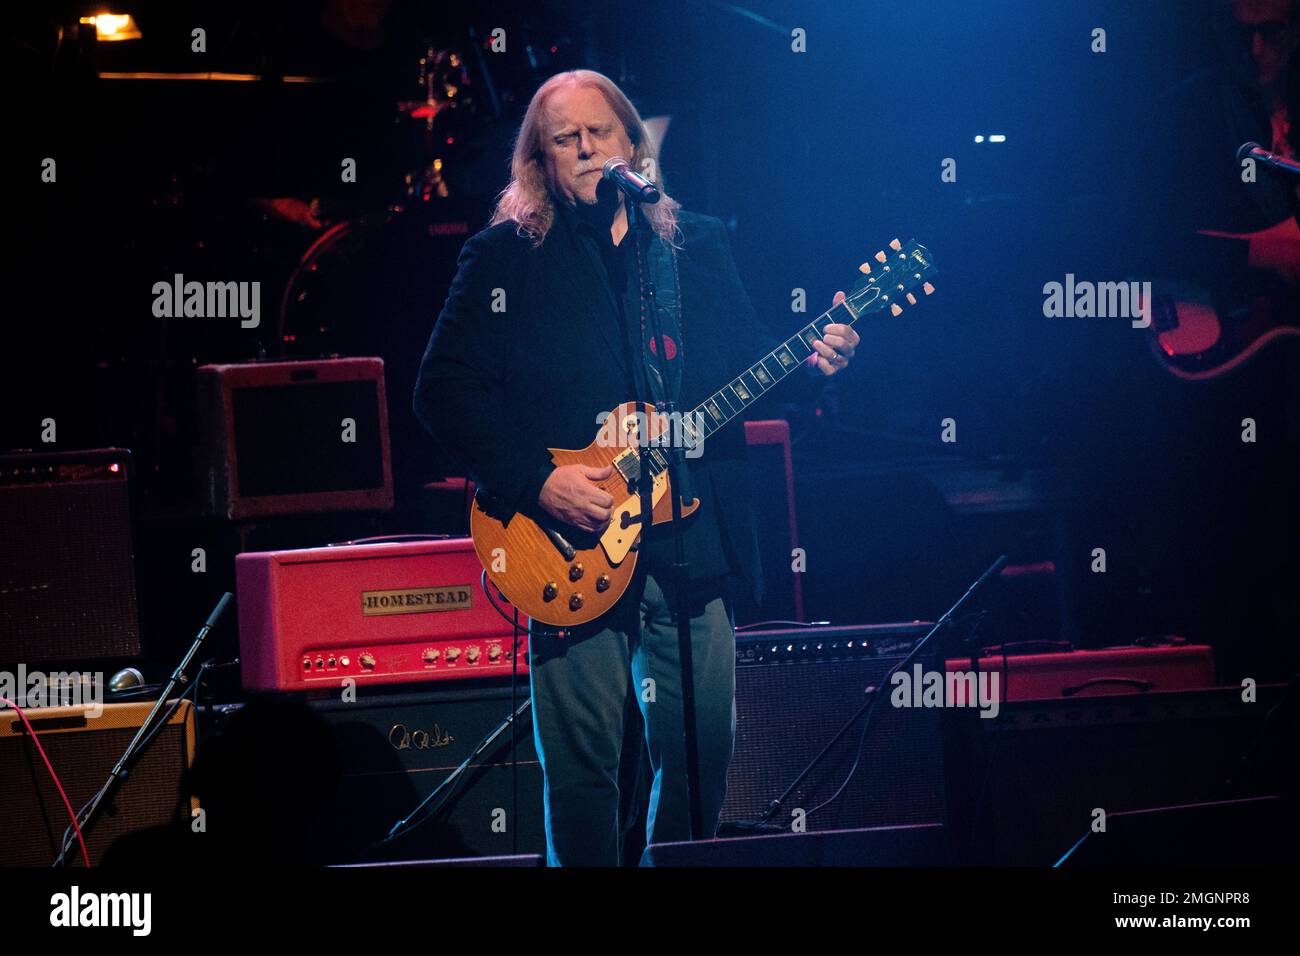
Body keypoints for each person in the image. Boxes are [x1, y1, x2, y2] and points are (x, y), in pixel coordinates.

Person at [412, 69, 858, 865]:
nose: (586, 149)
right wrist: (539, 482)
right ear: (539, 163)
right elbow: (441, 393)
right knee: (583, 775)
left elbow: (746, 365)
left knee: (701, 756)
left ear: (632, 144)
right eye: (565, 139)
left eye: (600, 132)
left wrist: (816, 358)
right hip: (567, 537)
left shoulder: (695, 244)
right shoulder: (504, 260)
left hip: (693, 539)